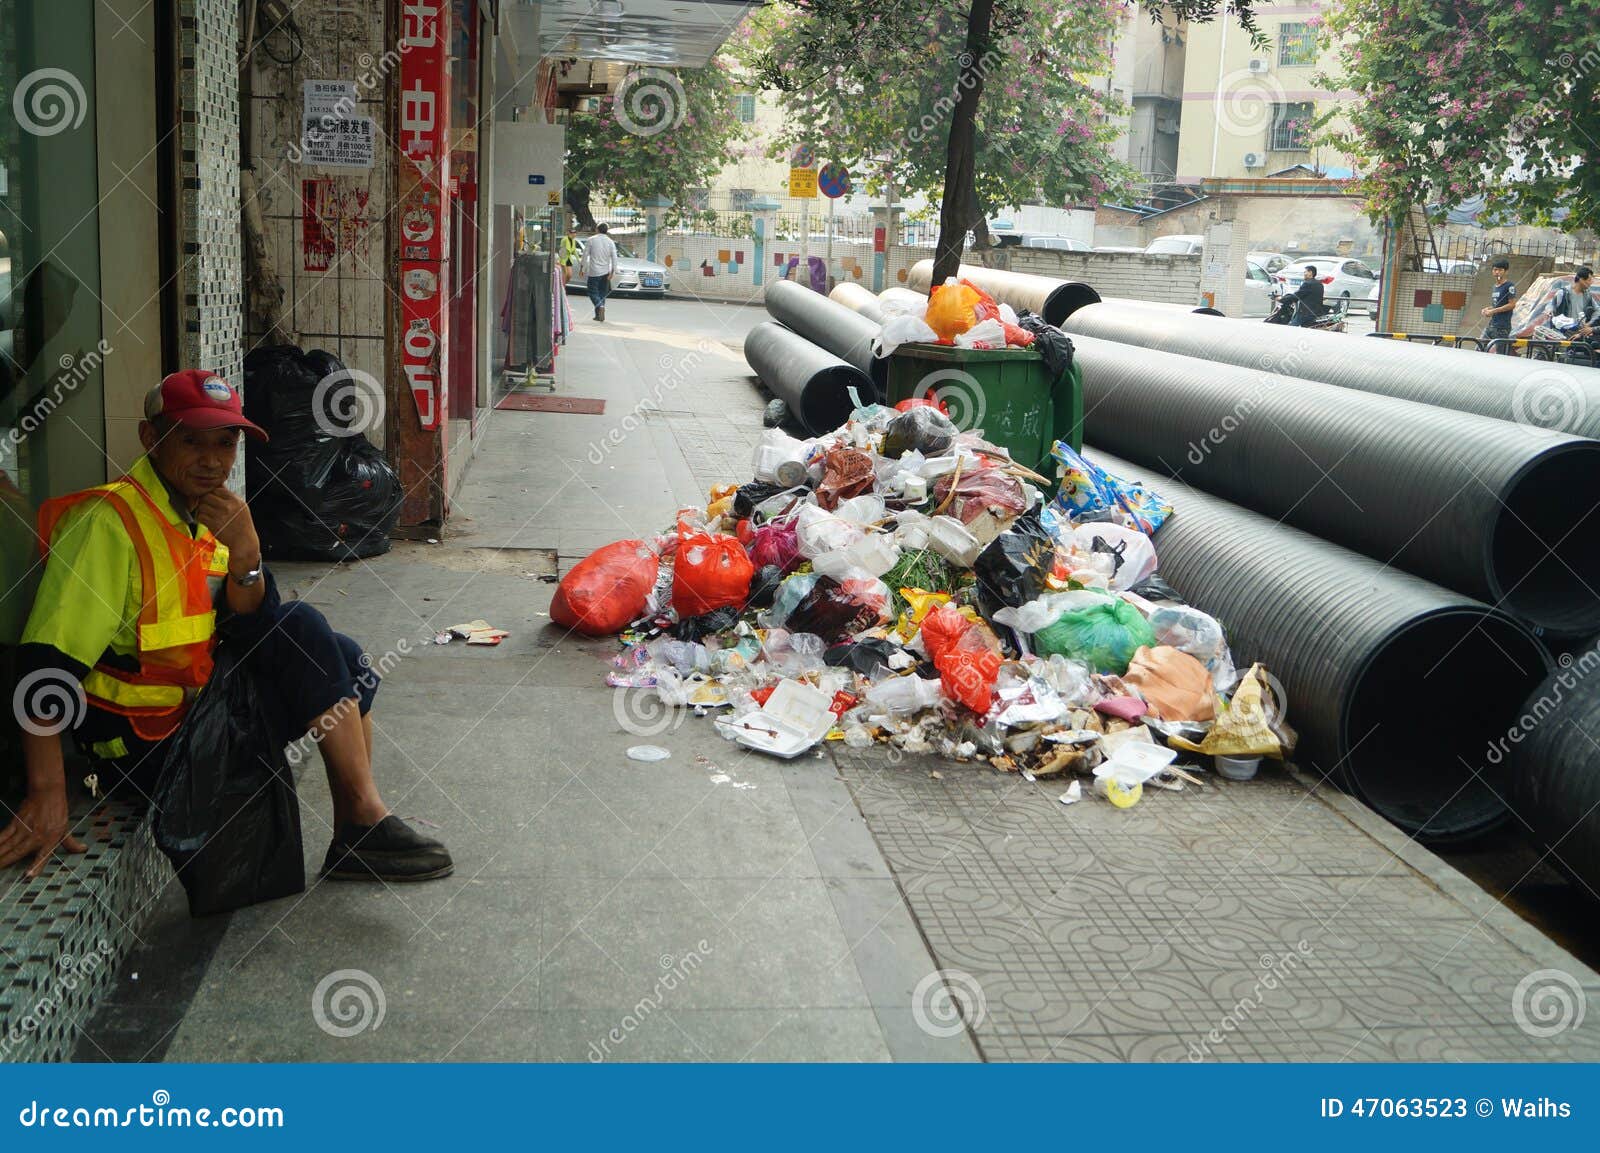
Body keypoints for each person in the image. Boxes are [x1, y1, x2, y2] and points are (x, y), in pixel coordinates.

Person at [0, 370, 453, 883]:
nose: (211, 460)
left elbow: (255, 625)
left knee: (345, 656)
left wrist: (247, 554)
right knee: (306, 629)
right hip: (136, 748)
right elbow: (42, 667)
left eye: (225, 442)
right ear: (151, 439)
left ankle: (356, 823)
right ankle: (364, 822)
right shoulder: (109, 522)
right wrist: (46, 793)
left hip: (195, 720)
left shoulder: (209, 518)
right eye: (190, 441)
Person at [581, 223, 618, 322]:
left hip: (594, 271)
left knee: (592, 292)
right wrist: (612, 272)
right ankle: (598, 315)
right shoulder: (611, 242)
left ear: (597, 229)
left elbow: (585, 255)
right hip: (605, 272)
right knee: (602, 293)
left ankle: (600, 306)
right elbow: (614, 258)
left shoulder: (591, 240)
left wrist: (582, 268)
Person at [1480, 258, 1517, 352]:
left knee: (1501, 353)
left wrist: (1493, 311)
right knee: (1480, 347)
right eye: (1495, 270)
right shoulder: (1495, 287)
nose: (1497, 272)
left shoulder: (1509, 286)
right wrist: (1487, 309)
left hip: (1502, 327)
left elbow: (1512, 304)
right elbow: (1497, 304)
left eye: (1500, 270)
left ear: (1506, 271)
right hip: (1492, 325)